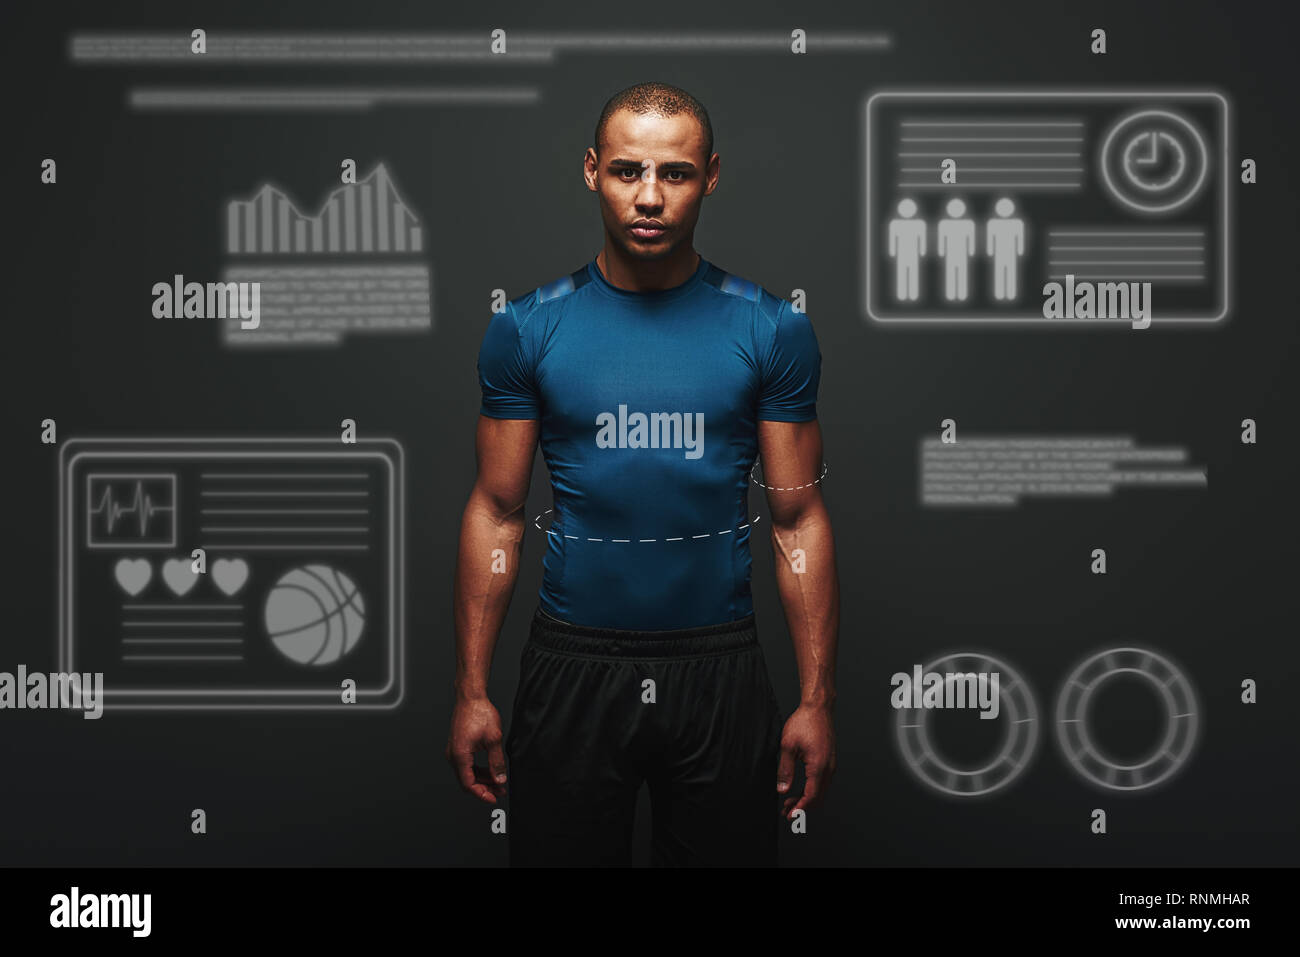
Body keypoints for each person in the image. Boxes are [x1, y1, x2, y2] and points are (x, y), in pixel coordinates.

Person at [447, 82, 840, 867]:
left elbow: (798, 520)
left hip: (719, 668)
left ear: (712, 175)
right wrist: (472, 689)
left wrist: (814, 698)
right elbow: (497, 510)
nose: (650, 197)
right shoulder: (527, 327)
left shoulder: (771, 327)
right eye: (628, 171)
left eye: (676, 174)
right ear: (592, 171)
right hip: (572, 669)